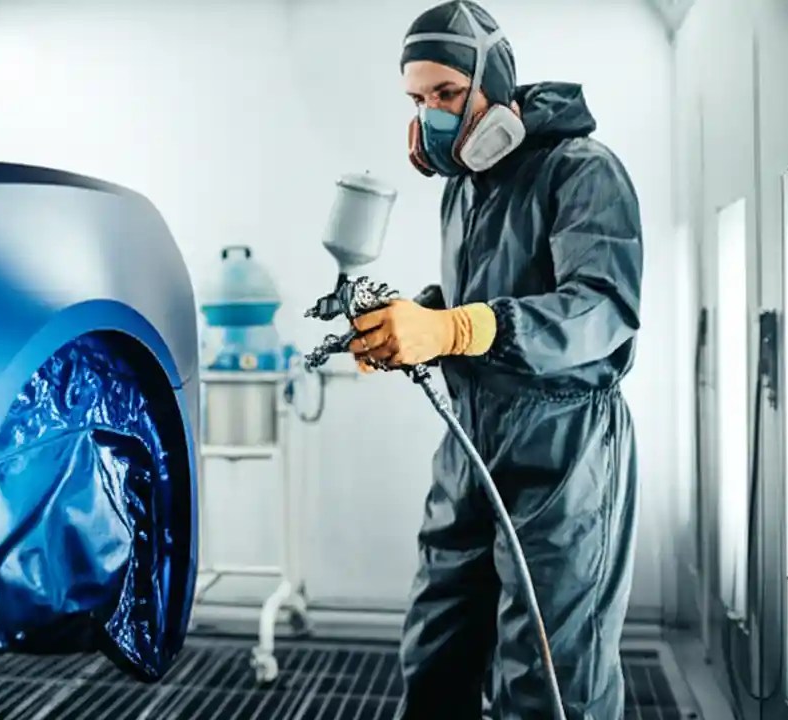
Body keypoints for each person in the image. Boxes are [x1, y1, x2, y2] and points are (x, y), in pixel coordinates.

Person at [346, 1, 644, 718]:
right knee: (437, 649)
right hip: (471, 438)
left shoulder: (582, 170)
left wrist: (452, 330)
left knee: (546, 674)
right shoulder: (466, 186)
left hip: (562, 450)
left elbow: (600, 308)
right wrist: (412, 319)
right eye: (419, 100)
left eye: (447, 94)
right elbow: (480, 297)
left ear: (496, 81)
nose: (433, 117)